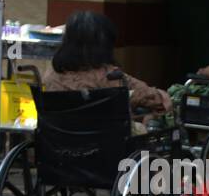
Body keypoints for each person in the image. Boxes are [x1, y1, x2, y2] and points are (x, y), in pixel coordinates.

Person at [44, 11, 172, 118]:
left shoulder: (52, 72)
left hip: (59, 141)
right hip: (105, 143)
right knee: (146, 138)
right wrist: (161, 96)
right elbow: (151, 97)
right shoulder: (110, 75)